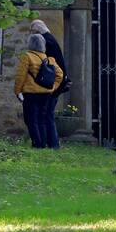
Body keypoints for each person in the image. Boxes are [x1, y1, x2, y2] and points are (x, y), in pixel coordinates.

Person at [14, 33, 63, 148]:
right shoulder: (49, 59)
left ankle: (37, 144)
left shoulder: (27, 56)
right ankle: (42, 143)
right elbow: (60, 74)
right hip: (46, 94)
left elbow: (21, 75)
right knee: (41, 119)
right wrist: (53, 87)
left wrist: (17, 91)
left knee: (31, 119)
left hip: (31, 93)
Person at [31, 19, 68, 148]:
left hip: (52, 83)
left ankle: (52, 143)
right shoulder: (51, 39)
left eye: (33, 32)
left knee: (47, 114)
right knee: (47, 114)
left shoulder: (46, 41)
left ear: (37, 31)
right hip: (57, 82)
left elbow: (48, 65)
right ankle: (51, 142)